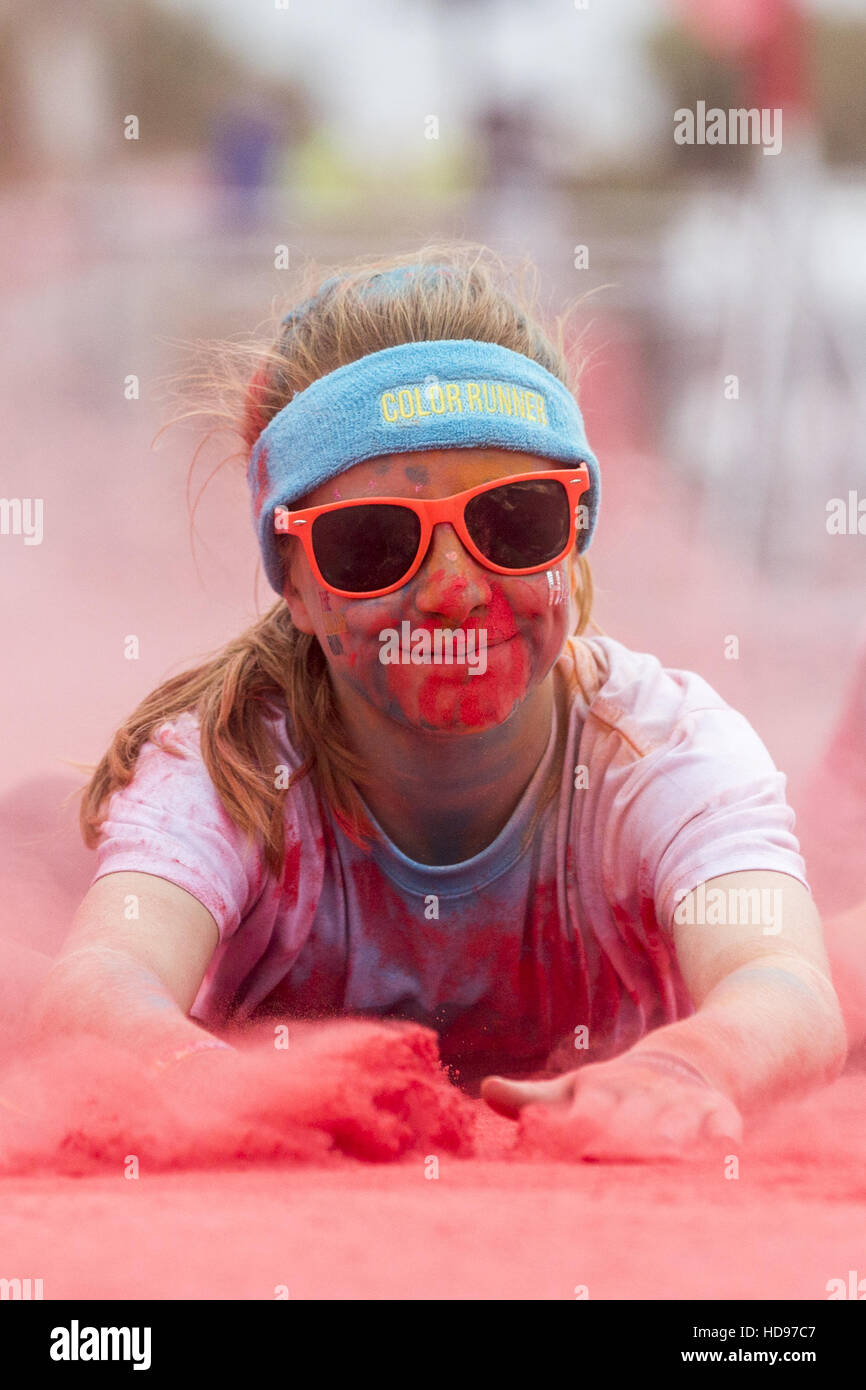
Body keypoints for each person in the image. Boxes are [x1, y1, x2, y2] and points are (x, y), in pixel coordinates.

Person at [27, 249, 849, 1160]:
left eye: (514, 523)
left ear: (574, 543)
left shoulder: (659, 747)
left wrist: (685, 1073)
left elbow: (782, 982)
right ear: (294, 587)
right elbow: (97, 984)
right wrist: (230, 1088)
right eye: (373, 543)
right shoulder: (232, 767)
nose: (452, 591)